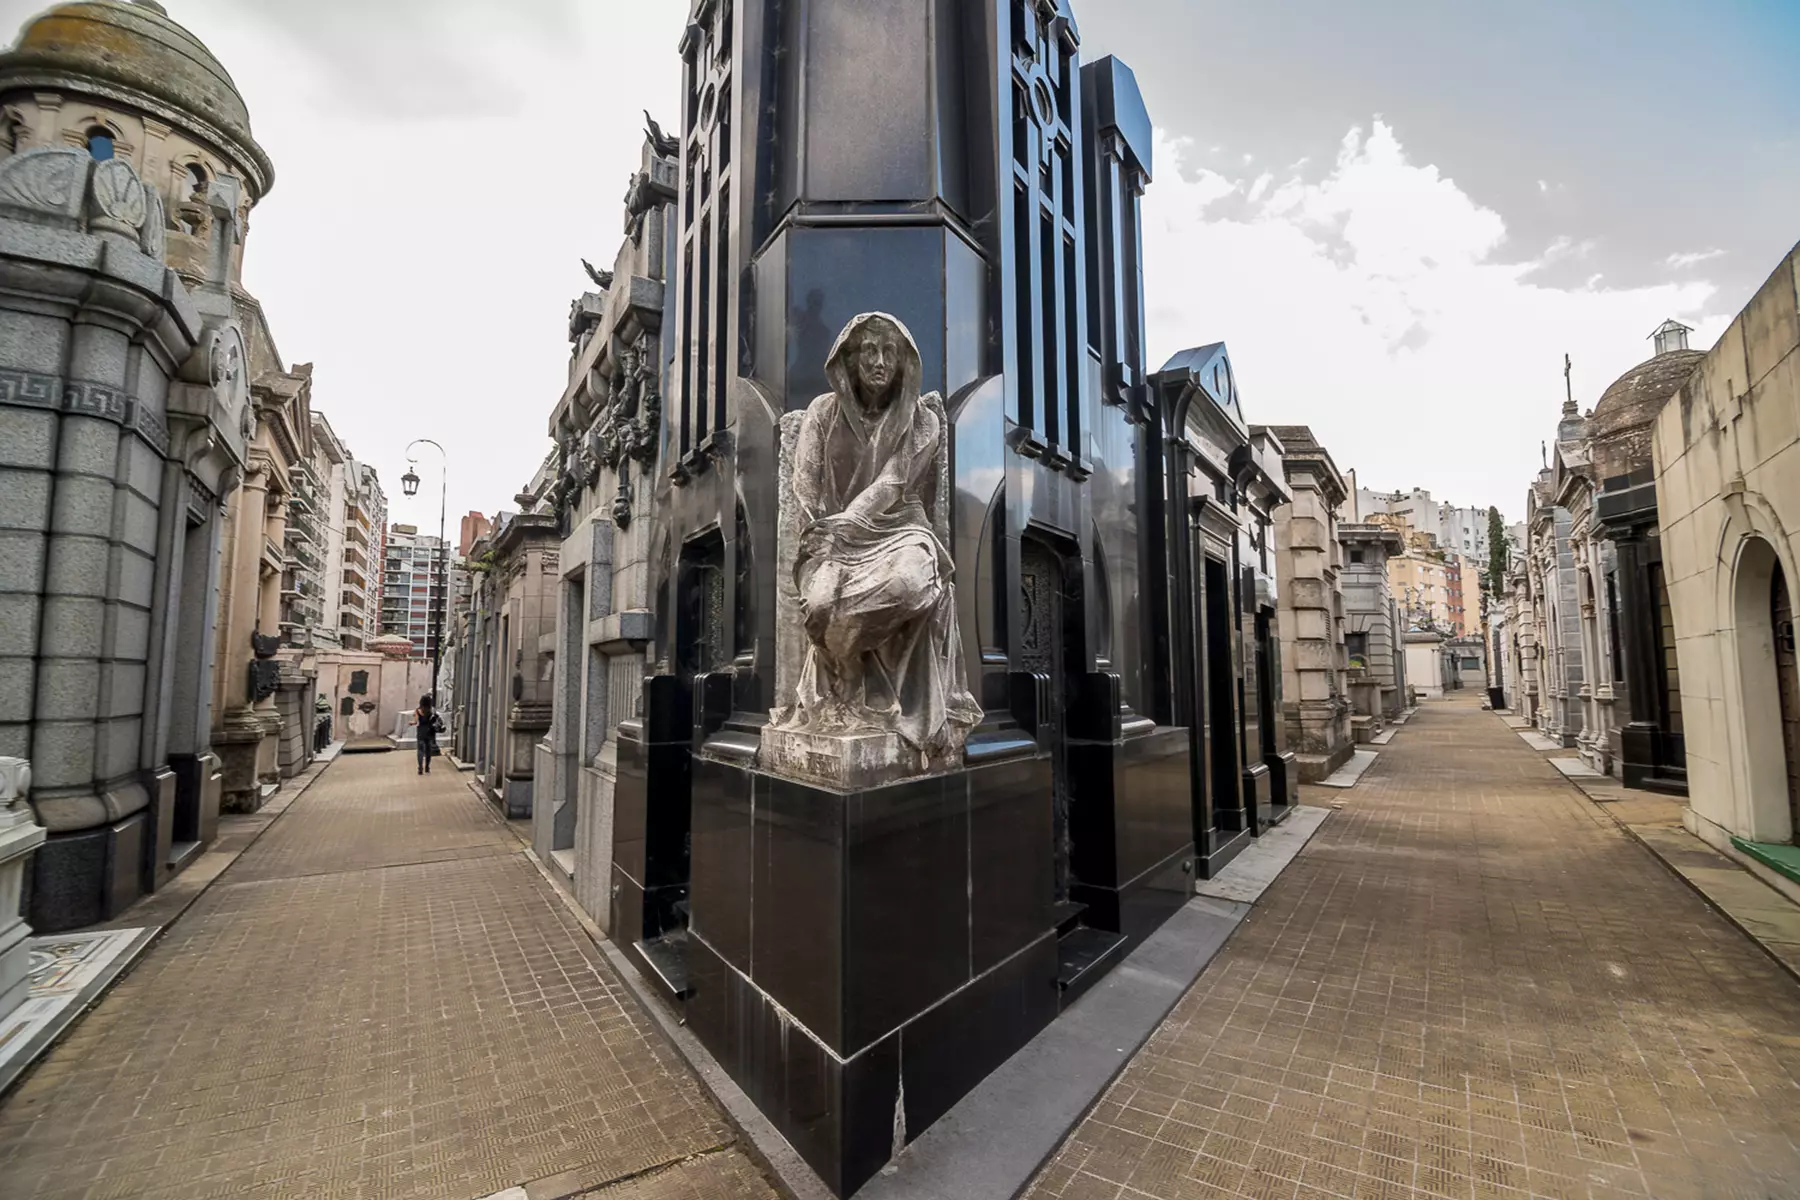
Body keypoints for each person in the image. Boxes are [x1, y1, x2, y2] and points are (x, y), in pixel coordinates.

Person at [769, 312, 980, 760]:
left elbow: (893, 483)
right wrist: (825, 538)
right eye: (869, 349)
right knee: (822, 605)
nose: (879, 361)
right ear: (849, 357)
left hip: (900, 531)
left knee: (907, 586)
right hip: (829, 540)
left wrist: (849, 522)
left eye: (890, 351)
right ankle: (845, 678)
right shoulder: (823, 413)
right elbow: (804, 484)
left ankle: (875, 691)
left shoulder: (923, 421)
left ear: (905, 361)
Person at [415, 694, 444, 775]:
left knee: (420, 750)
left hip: (420, 732)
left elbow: (416, 721)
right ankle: (427, 768)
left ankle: (420, 767)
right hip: (429, 732)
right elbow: (437, 719)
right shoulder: (431, 711)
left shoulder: (418, 710)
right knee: (428, 750)